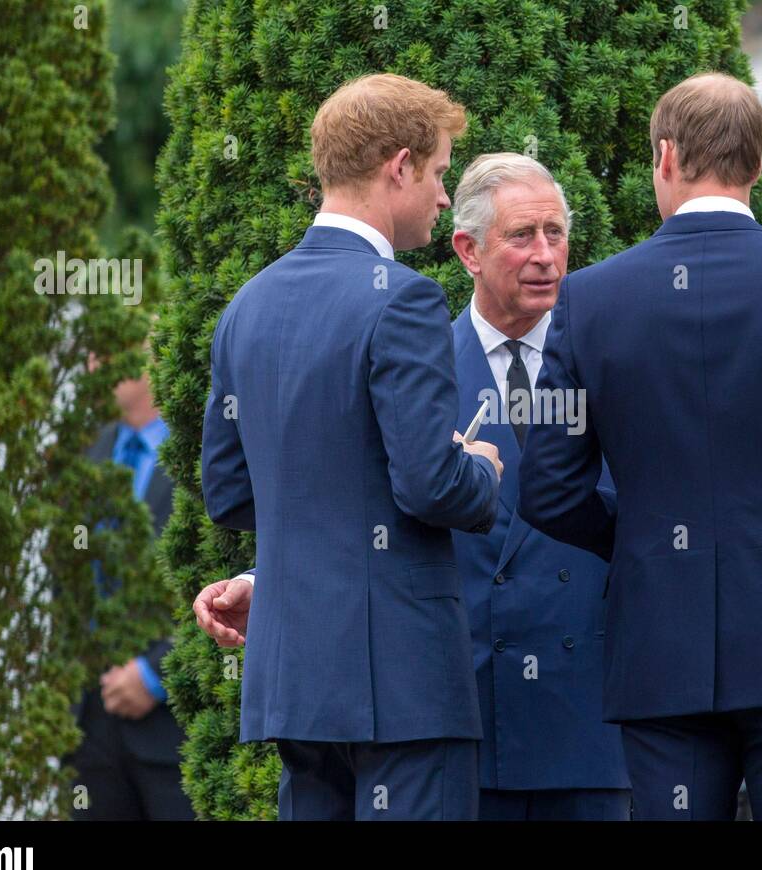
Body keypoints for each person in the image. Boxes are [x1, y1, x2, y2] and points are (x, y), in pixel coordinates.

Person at [196, 153, 633, 821]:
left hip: (584, 730)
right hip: (448, 720)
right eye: (522, 236)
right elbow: (346, 493)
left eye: (556, 232)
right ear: (468, 250)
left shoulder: (616, 362)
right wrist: (266, 580)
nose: (546, 254)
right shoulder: (411, 349)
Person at [519, 72, 762, 821]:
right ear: (759, 164)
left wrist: (645, 535)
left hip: (660, 653)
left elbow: (548, 489)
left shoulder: (590, 299)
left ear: (666, 157)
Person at [198, 74, 502, 821]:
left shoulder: (247, 305)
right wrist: (482, 468)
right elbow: (433, 487)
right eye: (436, 173)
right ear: (397, 165)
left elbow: (231, 493)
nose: (441, 197)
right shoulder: (403, 296)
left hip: (296, 682)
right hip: (403, 683)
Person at [72, 365, 194, 820]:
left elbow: (226, 582)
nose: (93, 364)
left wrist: (153, 674)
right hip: (91, 725)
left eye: (109, 349)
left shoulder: (200, 453)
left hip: (173, 730)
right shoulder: (92, 451)